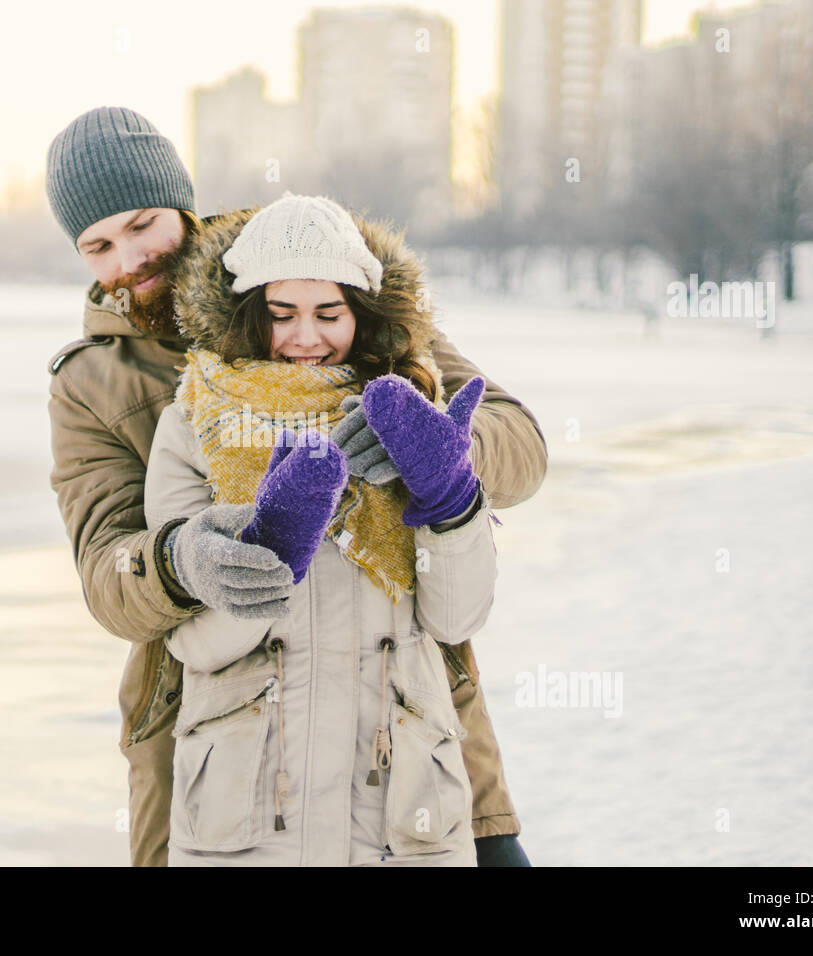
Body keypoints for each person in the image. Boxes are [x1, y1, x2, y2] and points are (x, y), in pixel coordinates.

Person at [44, 106, 547, 867]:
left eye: (143, 224)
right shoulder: (92, 383)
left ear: (183, 202)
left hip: (403, 709)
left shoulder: (324, 276)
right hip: (216, 726)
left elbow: (520, 443)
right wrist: (183, 559)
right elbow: (108, 573)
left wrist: (436, 453)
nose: (130, 258)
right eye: (99, 245)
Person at [144, 193, 503, 865]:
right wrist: (271, 546)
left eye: (328, 314)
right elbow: (196, 643)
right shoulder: (193, 423)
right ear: (250, 315)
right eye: (281, 315)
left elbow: (458, 618)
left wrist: (450, 496)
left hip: (400, 819)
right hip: (246, 820)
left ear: (361, 314)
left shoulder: (407, 412)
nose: (305, 337)